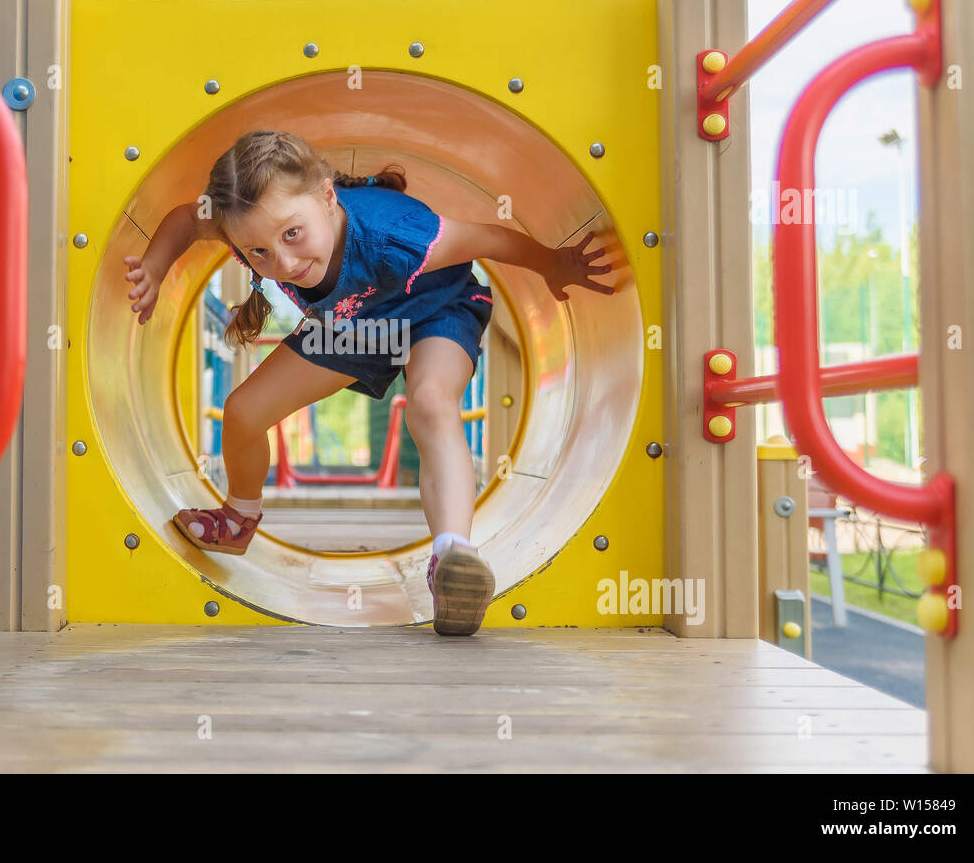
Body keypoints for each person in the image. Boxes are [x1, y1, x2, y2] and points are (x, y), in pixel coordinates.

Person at [123, 130, 614, 635]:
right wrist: (156, 271)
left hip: (437, 311)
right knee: (244, 411)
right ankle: (238, 519)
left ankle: (452, 558)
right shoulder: (246, 221)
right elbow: (187, 216)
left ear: (327, 196)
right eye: (259, 252)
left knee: (430, 404)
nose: (284, 264)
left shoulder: (398, 234)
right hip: (350, 326)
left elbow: (489, 237)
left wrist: (554, 263)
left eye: (293, 234)